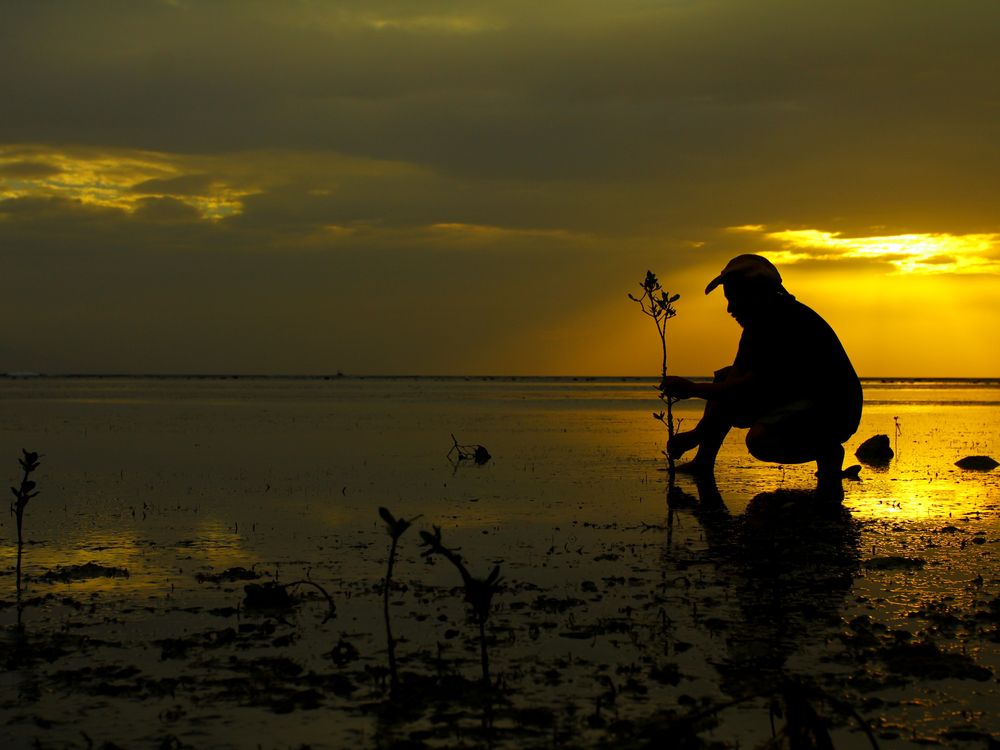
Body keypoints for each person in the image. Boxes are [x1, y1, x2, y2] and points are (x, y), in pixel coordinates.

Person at [661, 254, 862, 488]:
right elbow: (734, 379)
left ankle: (827, 451)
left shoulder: (787, 320)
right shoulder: (757, 325)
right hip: (796, 398)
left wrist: (693, 390)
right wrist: (696, 434)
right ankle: (703, 462)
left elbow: (749, 386)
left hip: (832, 410)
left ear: (756, 293)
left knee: (760, 441)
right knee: (724, 378)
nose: (729, 308)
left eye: (734, 298)